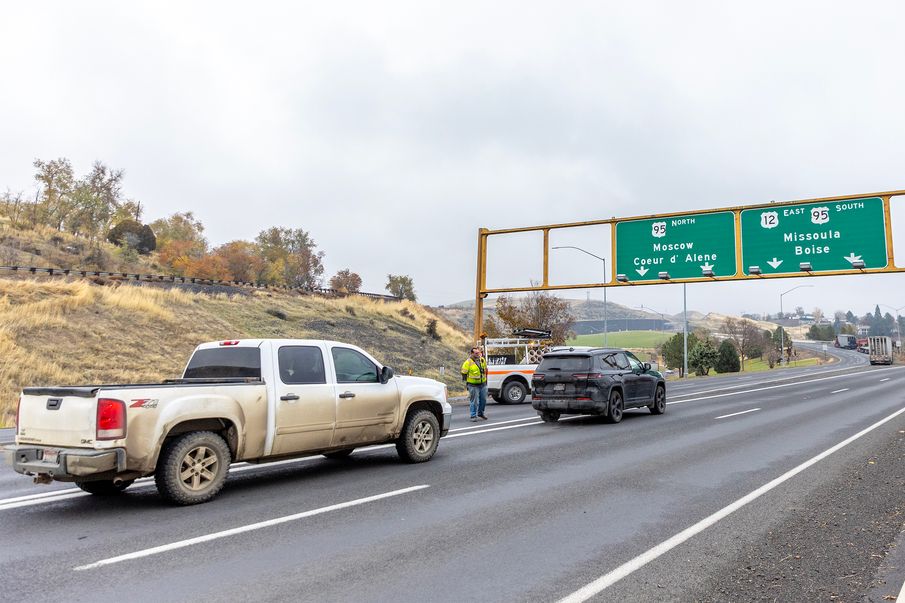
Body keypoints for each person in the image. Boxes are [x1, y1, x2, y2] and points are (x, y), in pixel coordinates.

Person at [461, 346, 488, 422]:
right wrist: (468, 382)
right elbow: (463, 373)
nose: (477, 354)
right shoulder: (468, 362)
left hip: (482, 384)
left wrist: (485, 381)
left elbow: (485, 370)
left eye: (478, 353)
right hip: (473, 385)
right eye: (476, 353)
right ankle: (473, 415)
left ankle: (480, 413)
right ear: (472, 353)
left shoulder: (482, 360)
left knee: (483, 400)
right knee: (475, 401)